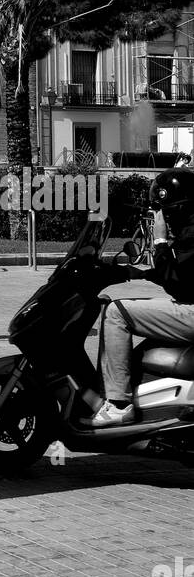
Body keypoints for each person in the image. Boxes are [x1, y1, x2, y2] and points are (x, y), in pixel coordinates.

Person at [90, 167, 194, 426]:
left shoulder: (191, 234)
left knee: (116, 312)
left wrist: (159, 242)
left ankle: (118, 404)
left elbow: (178, 285)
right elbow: (184, 274)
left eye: (162, 211)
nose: (160, 217)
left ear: (177, 208)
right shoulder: (190, 231)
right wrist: (138, 274)